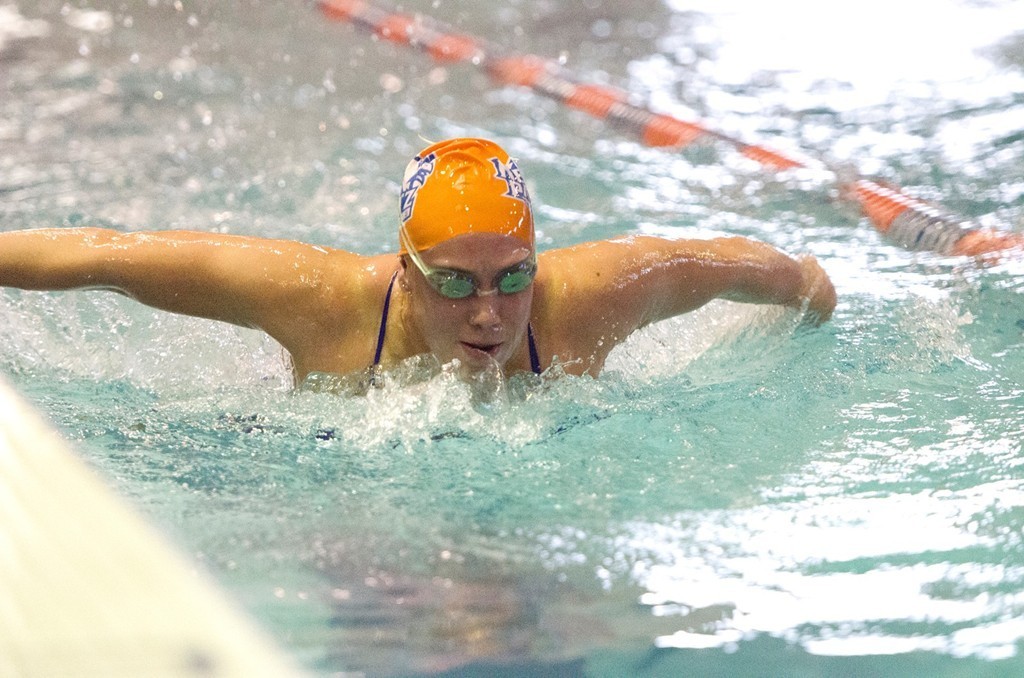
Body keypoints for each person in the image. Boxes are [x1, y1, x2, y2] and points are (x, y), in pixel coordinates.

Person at [0, 137, 836, 387]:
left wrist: (806, 288)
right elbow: (107, 254)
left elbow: (740, 267)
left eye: (514, 275)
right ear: (403, 271)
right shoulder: (320, 301)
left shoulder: (588, 297)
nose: (490, 313)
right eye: (453, 282)